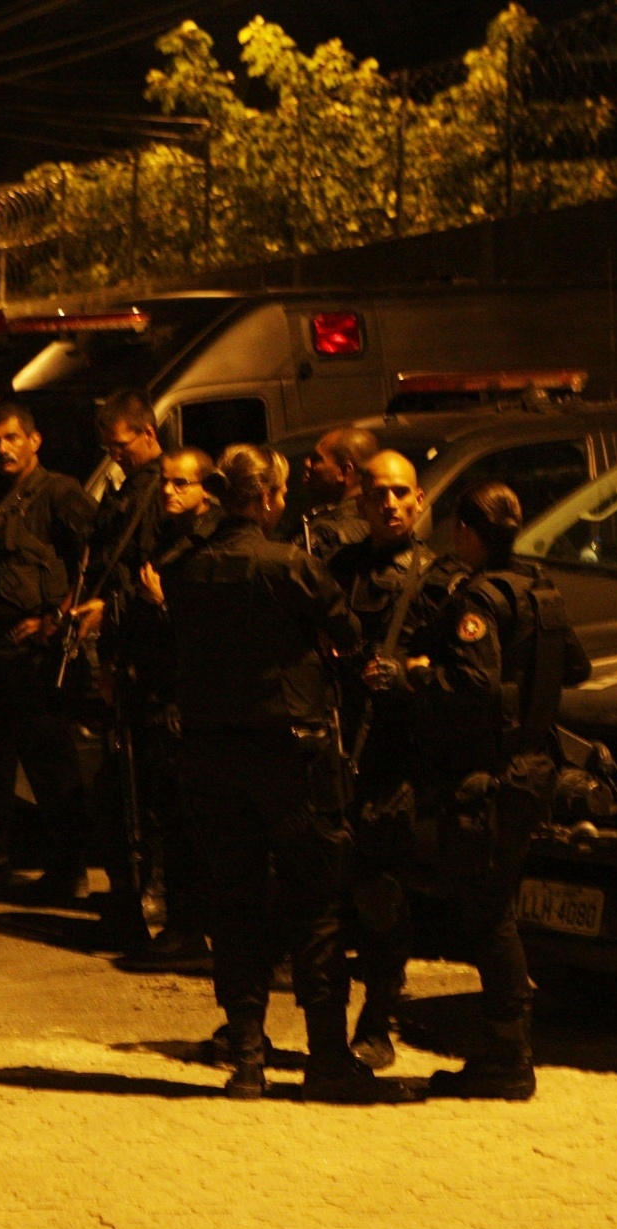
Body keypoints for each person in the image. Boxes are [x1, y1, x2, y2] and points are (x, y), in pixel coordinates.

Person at [160, 444, 404, 1103]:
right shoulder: (289, 564)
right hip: (289, 755)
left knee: (234, 904)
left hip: (212, 755)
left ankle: (246, 1058)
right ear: (266, 498)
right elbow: (344, 632)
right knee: (316, 905)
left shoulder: (185, 566)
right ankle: (326, 1054)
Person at [401, 482, 590, 1100]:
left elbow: (472, 686)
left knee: (490, 919)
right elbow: (577, 667)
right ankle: (506, 1051)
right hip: (532, 771)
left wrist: (415, 677)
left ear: (469, 532)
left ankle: (508, 1057)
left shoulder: (480, 596)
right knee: (496, 908)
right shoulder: (542, 591)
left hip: (490, 777)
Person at [328, 450, 467, 1069]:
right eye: (378, 493)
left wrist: (412, 677)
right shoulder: (338, 569)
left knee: (383, 895)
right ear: (360, 503)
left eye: (400, 493)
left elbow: (466, 679)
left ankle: (377, 1020)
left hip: (398, 760)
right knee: (327, 896)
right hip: (337, 754)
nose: (389, 503)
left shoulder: (443, 582)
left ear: (419, 503)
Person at [0, 401, 96, 898]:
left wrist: (55, 620)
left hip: (38, 655)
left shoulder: (61, 494)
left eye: (12, 438)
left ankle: (67, 870)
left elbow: (91, 562)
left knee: (51, 767)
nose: (2, 448)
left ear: (35, 440)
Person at [73, 389, 171, 947]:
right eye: (108, 448)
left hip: (152, 661)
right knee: (118, 792)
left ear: (148, 434)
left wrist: (108, 609)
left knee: (150, 797)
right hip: (123, 657)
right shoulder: (127, 491)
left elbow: (155, 575)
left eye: (121, 446)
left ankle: (156, 906)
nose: (116, 457)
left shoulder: (160, 491)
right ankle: (128, 899)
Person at [119, 445, 222, 972]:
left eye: (182, 483)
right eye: (164, 482)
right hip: (157, 692)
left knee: (191, 822)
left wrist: (160, 606)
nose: (168, 492)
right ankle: (180, 920)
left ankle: (193, 926)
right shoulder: (162, 537)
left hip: (192, 699)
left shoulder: (209, 544)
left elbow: (209, 631)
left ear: (206, 488)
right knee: (166, 815)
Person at [294, 427, 378, 561]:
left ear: (344, 471)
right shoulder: (379, 524)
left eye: (317, 459)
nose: (307, 463)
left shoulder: (326, 533)